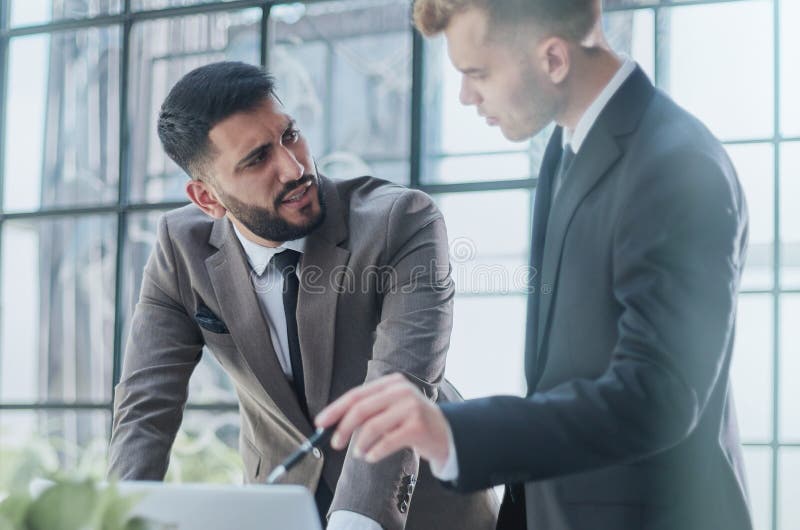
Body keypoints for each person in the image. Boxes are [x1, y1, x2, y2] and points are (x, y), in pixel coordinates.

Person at [315, 1, 753, 529]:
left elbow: (659, 394)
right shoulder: (565, 145)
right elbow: (559, 374)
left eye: (477, 73)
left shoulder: (677, 164)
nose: (466, 96)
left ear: (552, 59)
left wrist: (454, 432)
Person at [107, 61, 498, 530]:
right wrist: (116, 516)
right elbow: (146, 405)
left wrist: (356, 521)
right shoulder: (180, 249)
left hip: (420, 509)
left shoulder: (403, 221)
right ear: (207, 198)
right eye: (256, 159)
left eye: (289, 135)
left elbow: (400, 383)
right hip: (281, 508)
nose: (294, 168)